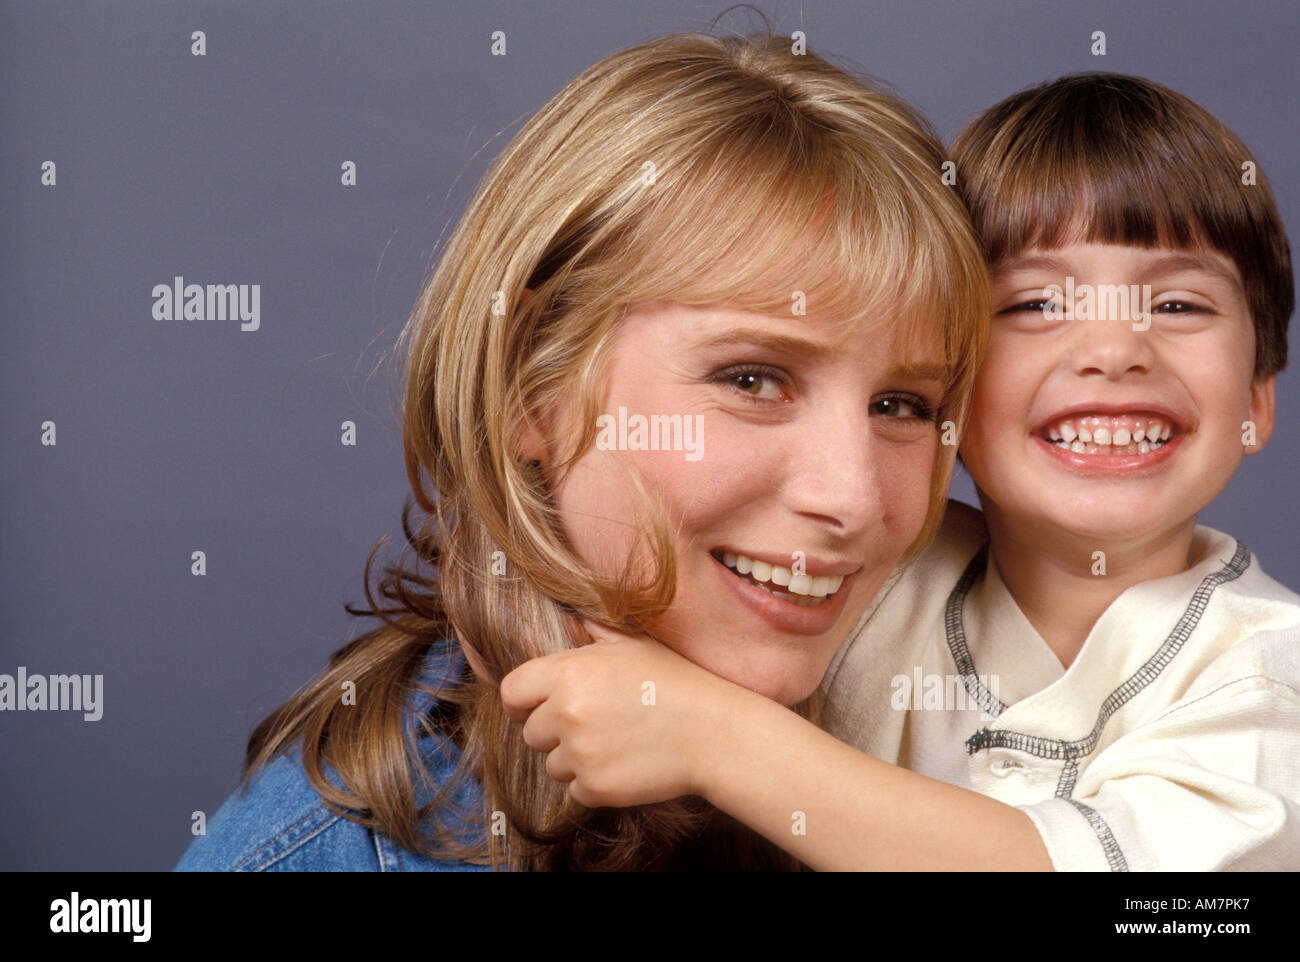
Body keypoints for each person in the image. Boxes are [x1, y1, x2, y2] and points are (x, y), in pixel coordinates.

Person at [173, 30, 988, 871]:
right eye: (752, 379)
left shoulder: (969, 754)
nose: (852, 497)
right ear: (532, 383)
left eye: (903, 405)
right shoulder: (313, 855)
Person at [502, 72, 1300, 871]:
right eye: (1033, 305)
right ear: (959, 381)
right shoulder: (858, 562)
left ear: (1258, 400)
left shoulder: (1267, 678)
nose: (1113, 351)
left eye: (1179, 306)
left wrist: (717, 740)